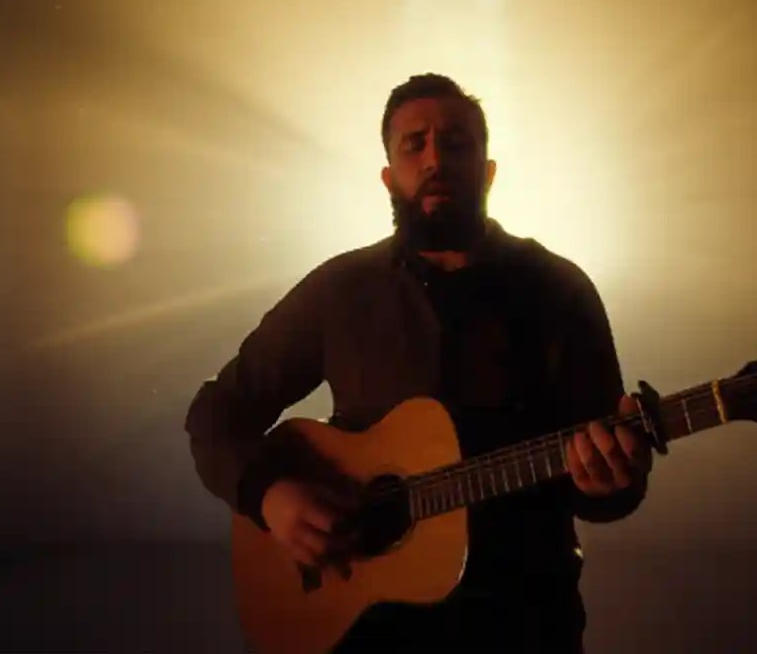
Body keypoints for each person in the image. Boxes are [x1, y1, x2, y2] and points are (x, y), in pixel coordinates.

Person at [185, 74, 652, 653]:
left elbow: (608, 483)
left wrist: (613, 479)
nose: (435, 160)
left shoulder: (560, 290)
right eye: (414, 144)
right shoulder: (340, 290)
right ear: (389, 176)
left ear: (487, 170)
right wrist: (269, 496)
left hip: (526, 624)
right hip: (369, 636)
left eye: (456, 143)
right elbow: (215, 415)